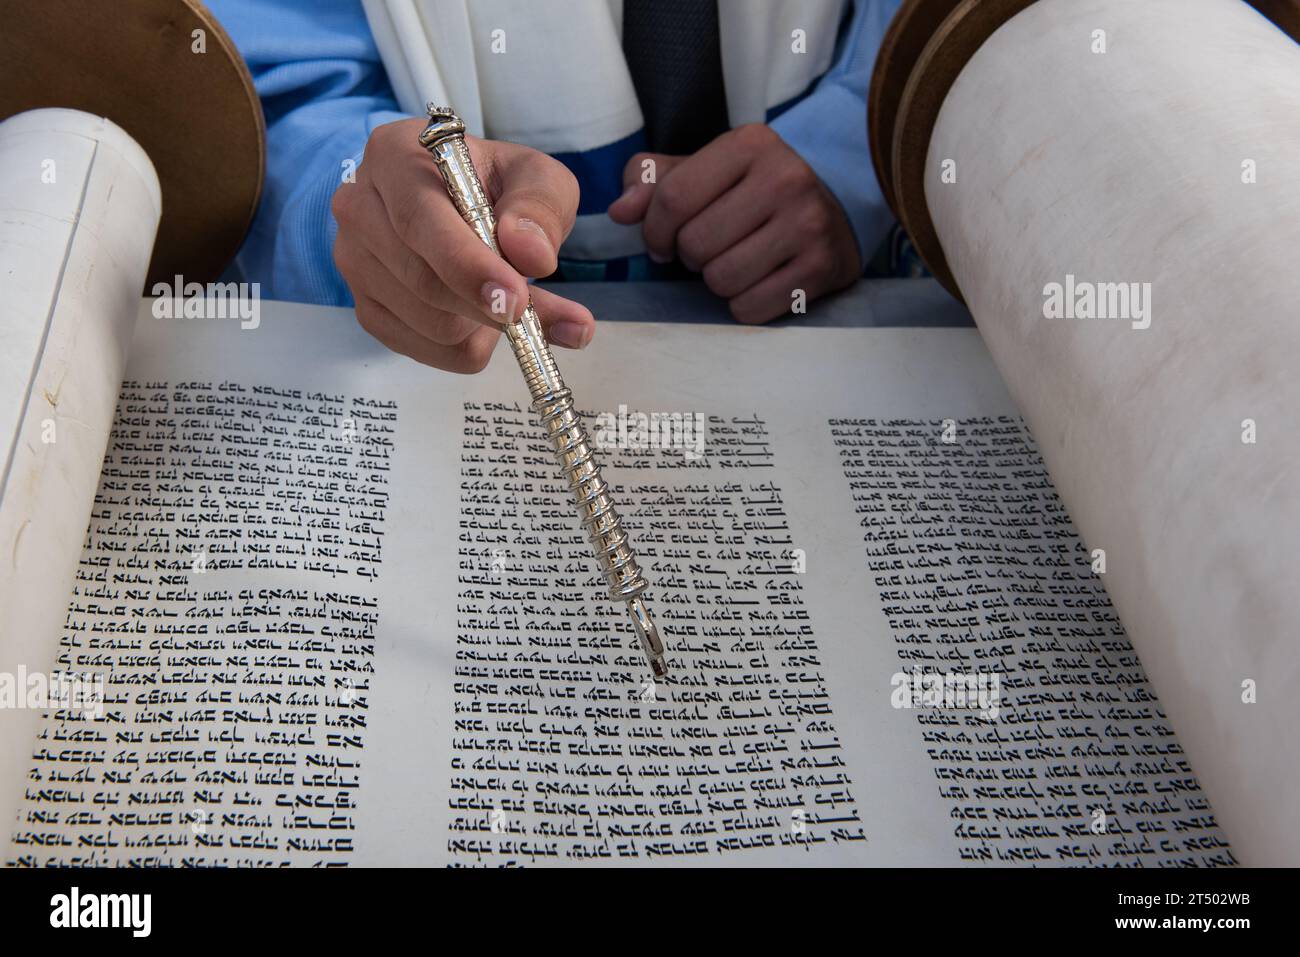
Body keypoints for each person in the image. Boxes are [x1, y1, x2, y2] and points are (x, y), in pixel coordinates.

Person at [209, 0, 904, 372]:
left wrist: (862, 144)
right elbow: (244, 83)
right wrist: (370, 209)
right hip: (427, 373)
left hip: (850, 322)